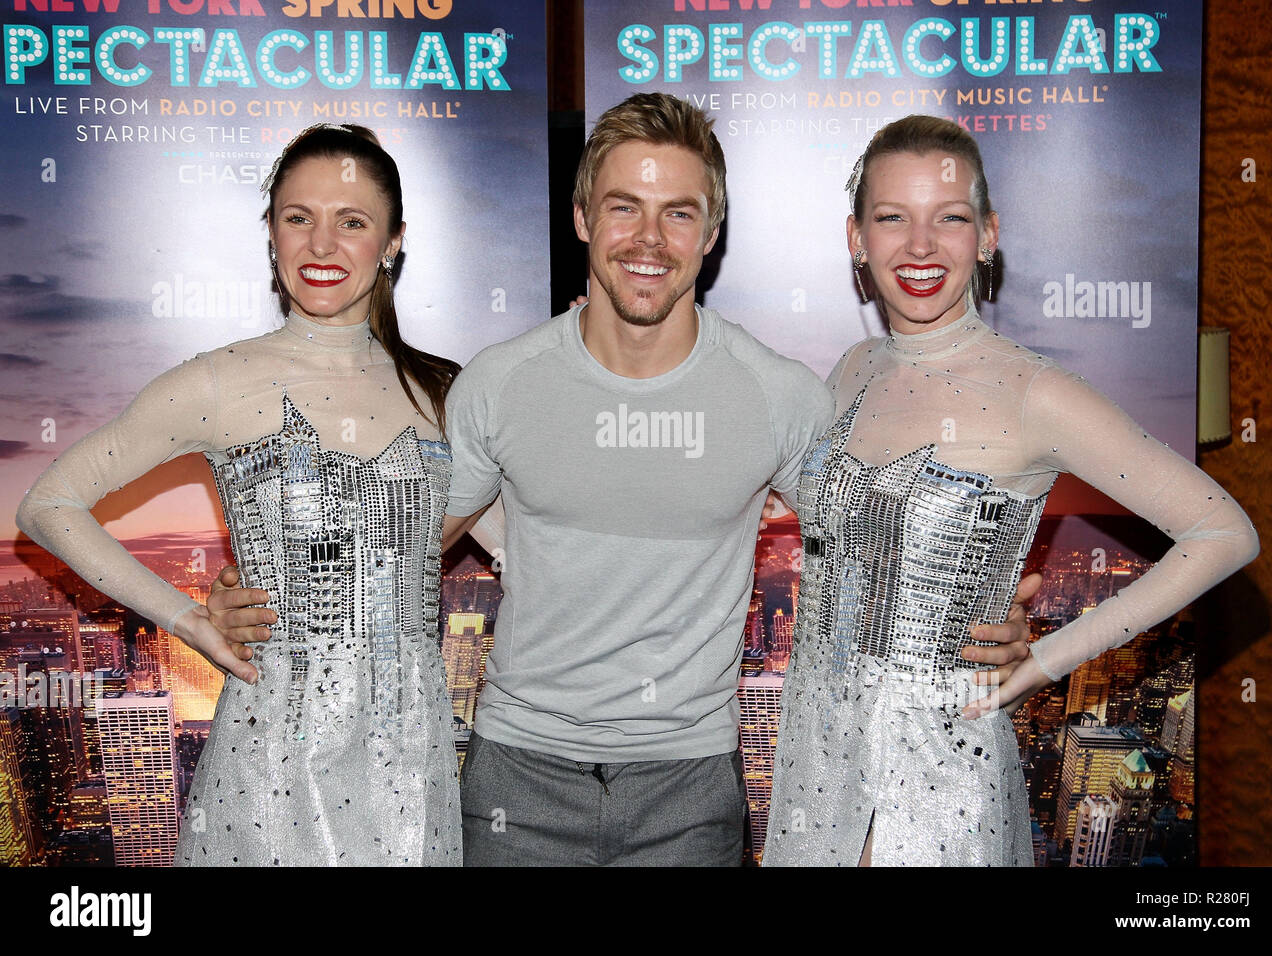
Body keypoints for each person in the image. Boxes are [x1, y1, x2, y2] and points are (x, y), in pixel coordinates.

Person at [209, 94, 1037, 866]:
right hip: (514, 784)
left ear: (710, 231)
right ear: (581, 218)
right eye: (623, 207)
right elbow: (386, 548)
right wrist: (233, 595)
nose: (649, 239)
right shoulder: (499, 385)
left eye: (678, 212)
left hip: (689, 795)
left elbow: (880, 536)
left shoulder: (779, 395)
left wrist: (981, 608)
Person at [762, 115, 1259, 867]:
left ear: (988, 234)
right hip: (816, 758)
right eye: (892, 218)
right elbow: (839, 522)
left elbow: (1224, 532)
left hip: (939, 778)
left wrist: (1046, 659)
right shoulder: (854, 366)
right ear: (856, 239)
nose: (920, 245)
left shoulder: (1034, 390)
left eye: (950, 218)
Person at [16, 124, 464, 866]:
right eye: (298, 218)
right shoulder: (221, 379)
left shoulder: (449, 393)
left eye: (351, 222)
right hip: (270, 757)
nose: (322, 245)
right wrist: (190, 619)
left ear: (393, 241)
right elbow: (49, 503)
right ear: (271, 234)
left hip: (411, 760)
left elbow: (516, 545)